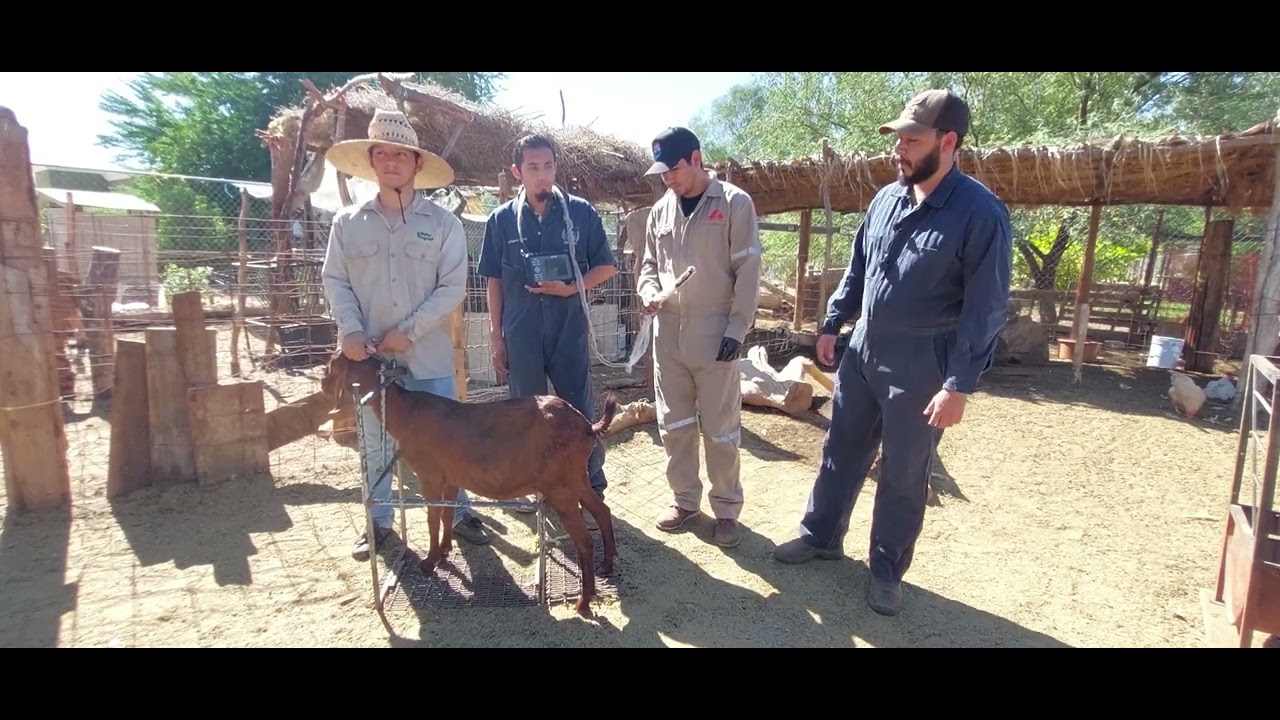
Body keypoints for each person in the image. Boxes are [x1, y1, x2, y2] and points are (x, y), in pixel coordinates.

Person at [772, 89, 1013, 616]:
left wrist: (959, 383)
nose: (898, 150)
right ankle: (820, 536)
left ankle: (886, 569)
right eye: (898, 139)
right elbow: (859, 266)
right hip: (865, 349)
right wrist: (835, 320)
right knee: (840, 449)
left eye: (912, 139)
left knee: (905, 471)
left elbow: (987, 308)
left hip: (925, 360)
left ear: (947, 142)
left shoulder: (980, 214)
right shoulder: (887, 199)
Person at [322, 108, 491, 561]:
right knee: (374, 441)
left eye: (402, 154)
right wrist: (351, 329)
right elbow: (335, 280)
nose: (392, 161)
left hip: (428, 358)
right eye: (382, 153)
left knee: (448, 442)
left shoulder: (444, 225)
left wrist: (409, 331)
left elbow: (453, 287)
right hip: (368, 359)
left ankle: (459, 513)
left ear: (417, 163)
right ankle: (378, 523)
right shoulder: (348, 223)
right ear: (372, 161)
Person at [476, 134, 618, 526]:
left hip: (568, 328)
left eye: (549, 166)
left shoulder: (581, 213)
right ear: (517, 172)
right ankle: (529, 487)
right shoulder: (501, 219)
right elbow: (493, 281)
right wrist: (495, 335)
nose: (542, 176)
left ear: (557, 167)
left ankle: (591, 483)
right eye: (533, 168)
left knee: (578, 412)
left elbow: (606, 266)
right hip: (521, 331)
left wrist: (573, 286)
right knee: (524, 413)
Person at [636, 127, 762, 549]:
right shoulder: (659, 212)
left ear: (695, 158)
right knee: (674, 425)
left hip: (715, 334)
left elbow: (748, 271)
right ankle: (684, 500)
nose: (667, 178)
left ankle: (726, 508)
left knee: (720, 429)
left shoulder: (733, 203)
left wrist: (737, 329)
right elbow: (648, 266)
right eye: (662, 173)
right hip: (667, 335)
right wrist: (648, 293)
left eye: (673, 169)